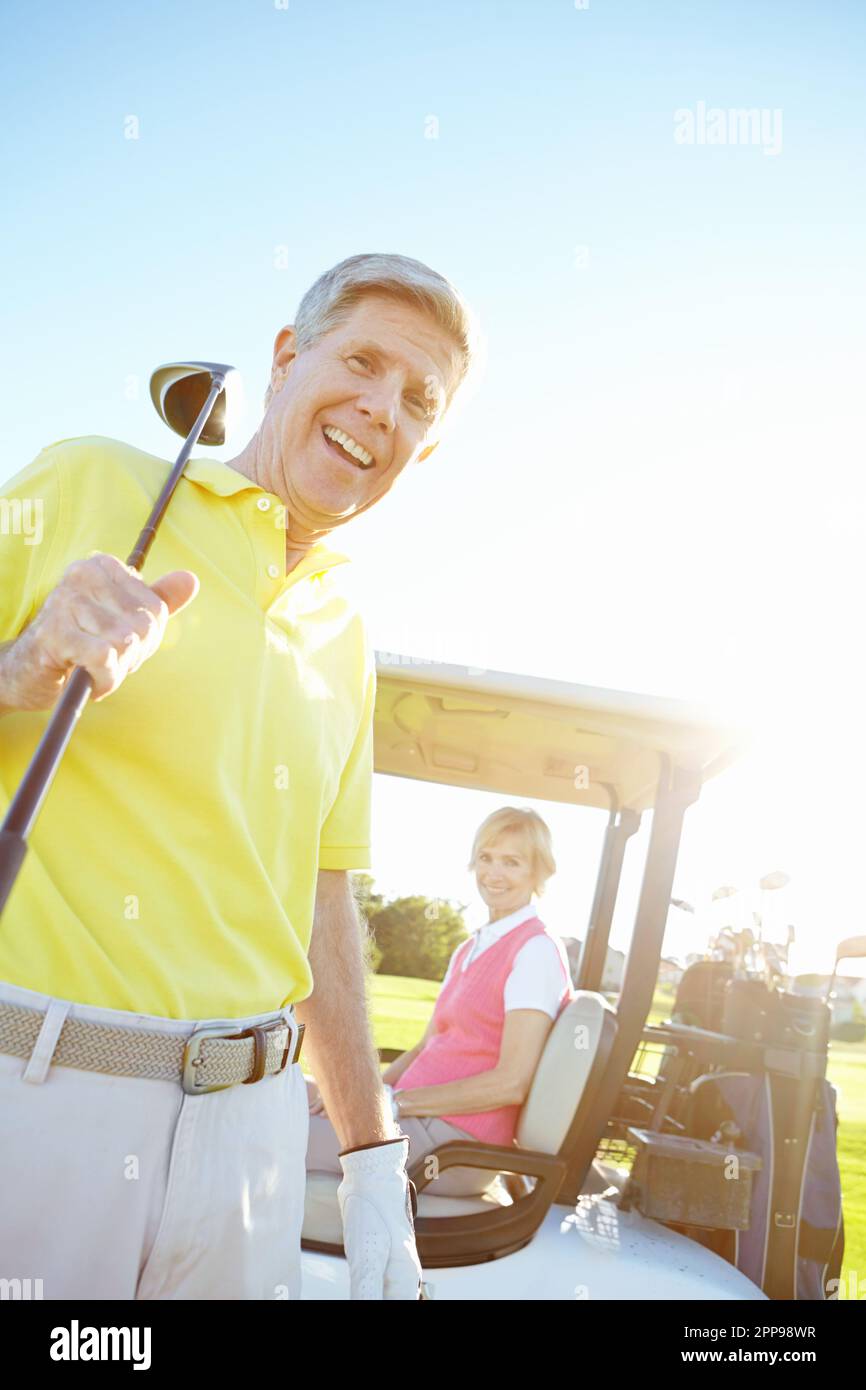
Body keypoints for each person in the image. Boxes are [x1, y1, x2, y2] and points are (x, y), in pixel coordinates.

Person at [0, 253, 480, 1300]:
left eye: (415, 401)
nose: (378, 408)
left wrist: (369, 1163)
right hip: (45, 1106)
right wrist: (22, 667)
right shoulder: (94, 481)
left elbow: (320, 900)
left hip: (253, 1143)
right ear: (283, 357)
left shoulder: (347, 632)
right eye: (359, 361)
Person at [306, 806, 573, 1197]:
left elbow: (512, 1082)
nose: (493, 874)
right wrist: (361, 1094)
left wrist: (396, 1104)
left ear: (538, 872)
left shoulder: (535, 951)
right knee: (287, 1098)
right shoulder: (471, 947)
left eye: (512, 862)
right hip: (418, 1120)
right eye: (486, 858)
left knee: (282, 1131)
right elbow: (426, 1045)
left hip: (456, 1145)